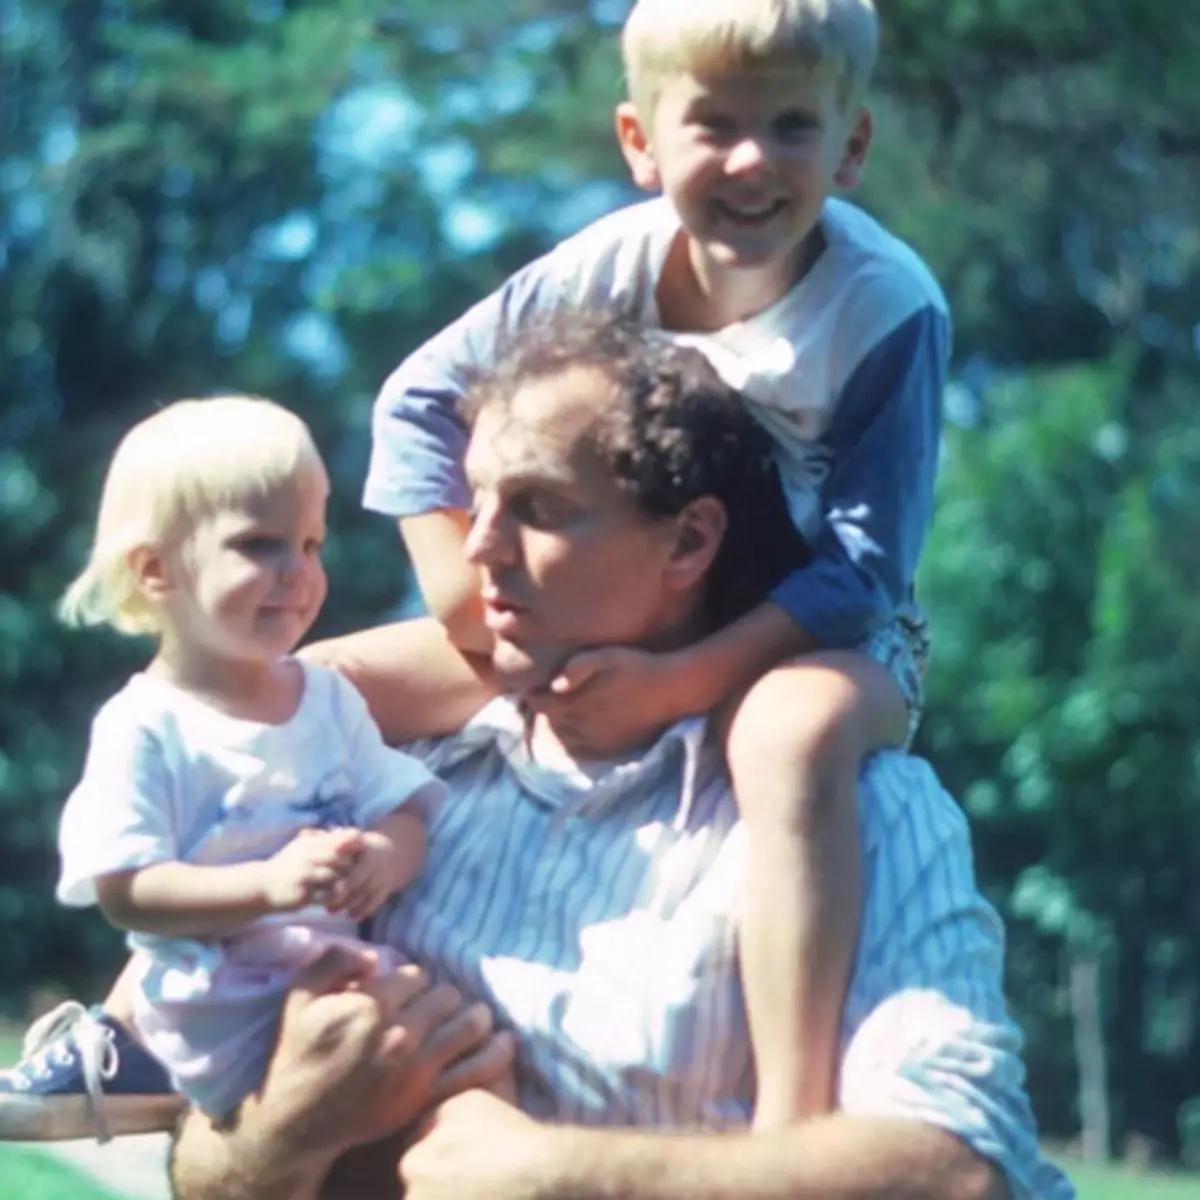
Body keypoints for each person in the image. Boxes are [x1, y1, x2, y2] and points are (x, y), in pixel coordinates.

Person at [161, 314, 1073, 1199]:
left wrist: (557, 1180)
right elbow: (195, 1162)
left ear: (688, 541)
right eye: (476, 500)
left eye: (541, 509)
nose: (477, 547)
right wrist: (284, 1134)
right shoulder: (381, 776)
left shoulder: (845, 806)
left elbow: (960, 1175)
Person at [363, 0, 946, 1125]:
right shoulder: (602, 268)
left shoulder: (887, 308)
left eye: (790, 126)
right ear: (639, 142)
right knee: (315, 684)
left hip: (818, 637)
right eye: (712, 124)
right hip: (615, 611)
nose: (751, 161)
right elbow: (416, 403)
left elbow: (867, 564)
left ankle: (792, 1120)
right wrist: (458, 592)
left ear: (851, 145)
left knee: (787, 738)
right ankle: (153, 1016)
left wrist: (691, 680)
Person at [0, 397, 443, 1136]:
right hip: (217, 1008)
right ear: (156, 572)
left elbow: (406, 809)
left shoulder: (327, 700)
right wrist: (264, 886)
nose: (296, 572)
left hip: (339, 976)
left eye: (310, 544)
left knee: (453, 1049)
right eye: (260, 544)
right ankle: (134, 1069)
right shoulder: (146, 726)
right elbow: (128, 890)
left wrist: (384, 859)